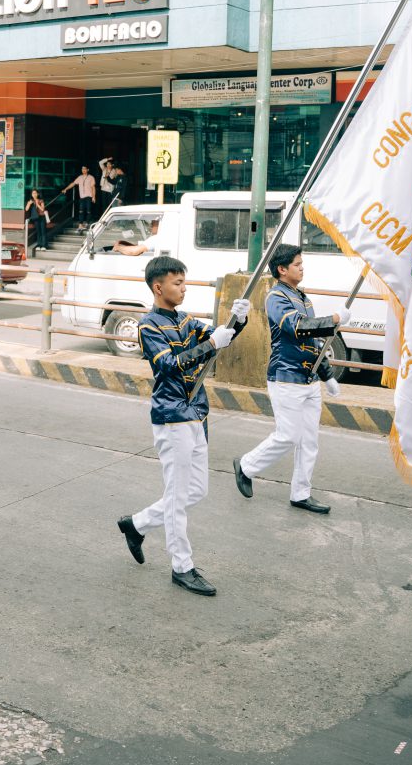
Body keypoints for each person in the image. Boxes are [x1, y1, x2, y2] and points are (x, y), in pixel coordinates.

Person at [116, 255, 250, 597]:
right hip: (171, 416)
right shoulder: (148, 327)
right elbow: (170, 365)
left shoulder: (185, 320)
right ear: (158, 287)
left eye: (184, 282)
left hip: (197, 412)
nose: (183, 289)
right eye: (177, 283)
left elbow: (218, 337)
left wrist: (238, 321)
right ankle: (182, 566)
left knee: (196, 490)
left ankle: (136, 524)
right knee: (177, 497)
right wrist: (212, 344)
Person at [234, 244, 347, 516]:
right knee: (288, 436)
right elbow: (297, 327)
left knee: (309, 441)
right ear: (282, 269)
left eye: (301, 263)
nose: (302, 268)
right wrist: (334, 319)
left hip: (309, 380)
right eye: (297, 264)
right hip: (286, 377)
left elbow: (314, 342)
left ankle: (301, 493)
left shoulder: (303, 299)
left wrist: (327, 376)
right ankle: (246, 466)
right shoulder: (276, 297)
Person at [61, 165, 98, 230]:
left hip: (89, 196)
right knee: (81, 211)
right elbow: (73, 183)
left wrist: (94, 197)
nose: (83, 170)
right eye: (82, 169)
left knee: (88, 211)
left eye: (84, 169)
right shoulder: (80, 177)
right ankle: (80, 225)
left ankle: (87, 224)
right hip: (82, 197)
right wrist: (65, 189)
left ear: (87, 170)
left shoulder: (91, 177)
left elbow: (93, 187)